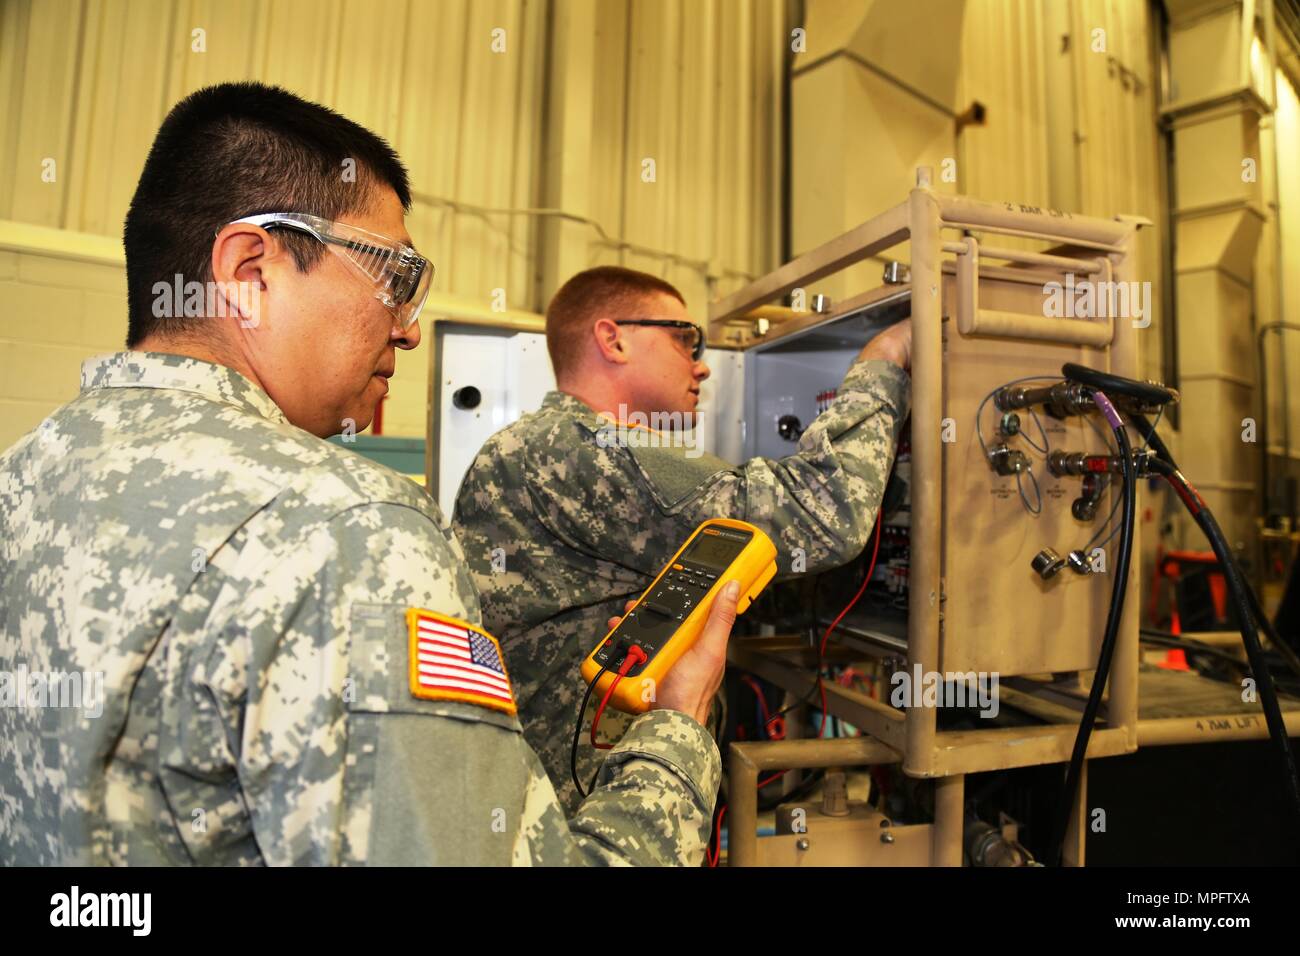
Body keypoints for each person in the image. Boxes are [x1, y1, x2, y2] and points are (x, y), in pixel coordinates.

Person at [0, 83, 734, 866]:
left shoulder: (25, 477)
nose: (410, 328)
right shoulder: (353, 528)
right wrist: (679, 733)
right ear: (252, 269)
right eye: (395, 278)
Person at [452, 265, 912, 810]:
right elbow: (829, 513)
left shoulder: (532, 445)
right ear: (613, 338)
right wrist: (883, 360)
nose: (701, 366)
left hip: (535, 795)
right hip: (584, 813)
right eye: (684, 338)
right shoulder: (593, 448)